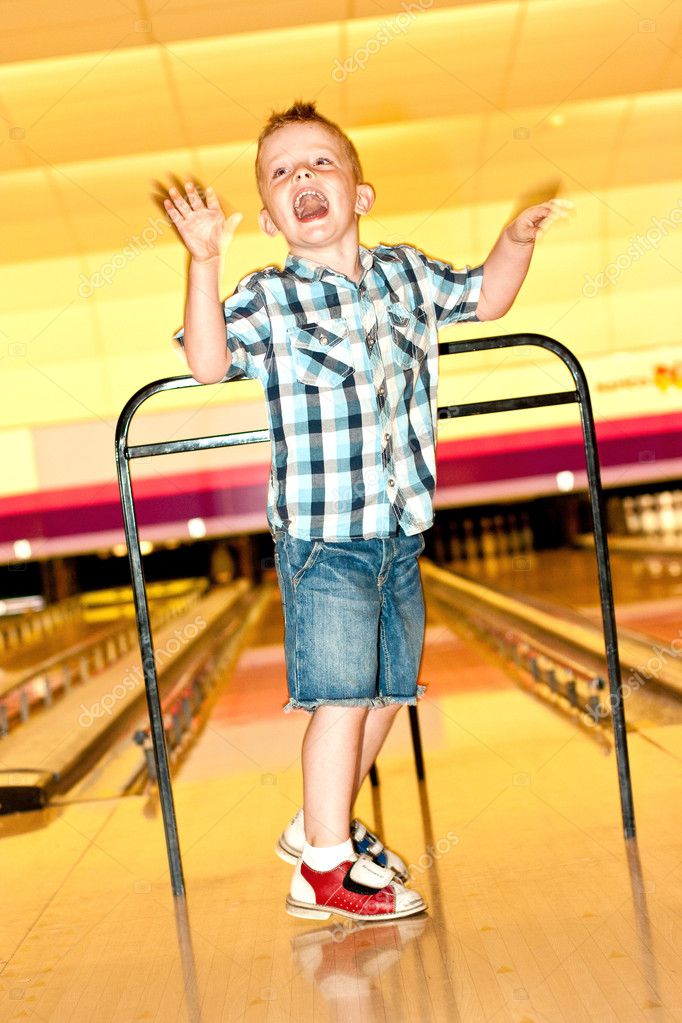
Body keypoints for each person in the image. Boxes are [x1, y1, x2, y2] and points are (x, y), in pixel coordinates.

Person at [165, 100, 571, 922]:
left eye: (319, 163)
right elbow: (208, 364)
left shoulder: (408, 274)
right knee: (341, 699)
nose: (301, 179)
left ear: (362, 192)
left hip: (399, 530)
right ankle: (323, 871)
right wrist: (205, 262)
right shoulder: (270, 296)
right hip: (324, 541)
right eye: (279, 173)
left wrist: (517, 239)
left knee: (391, 691)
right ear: (273, 215)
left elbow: (487, 299)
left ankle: (318, 826)